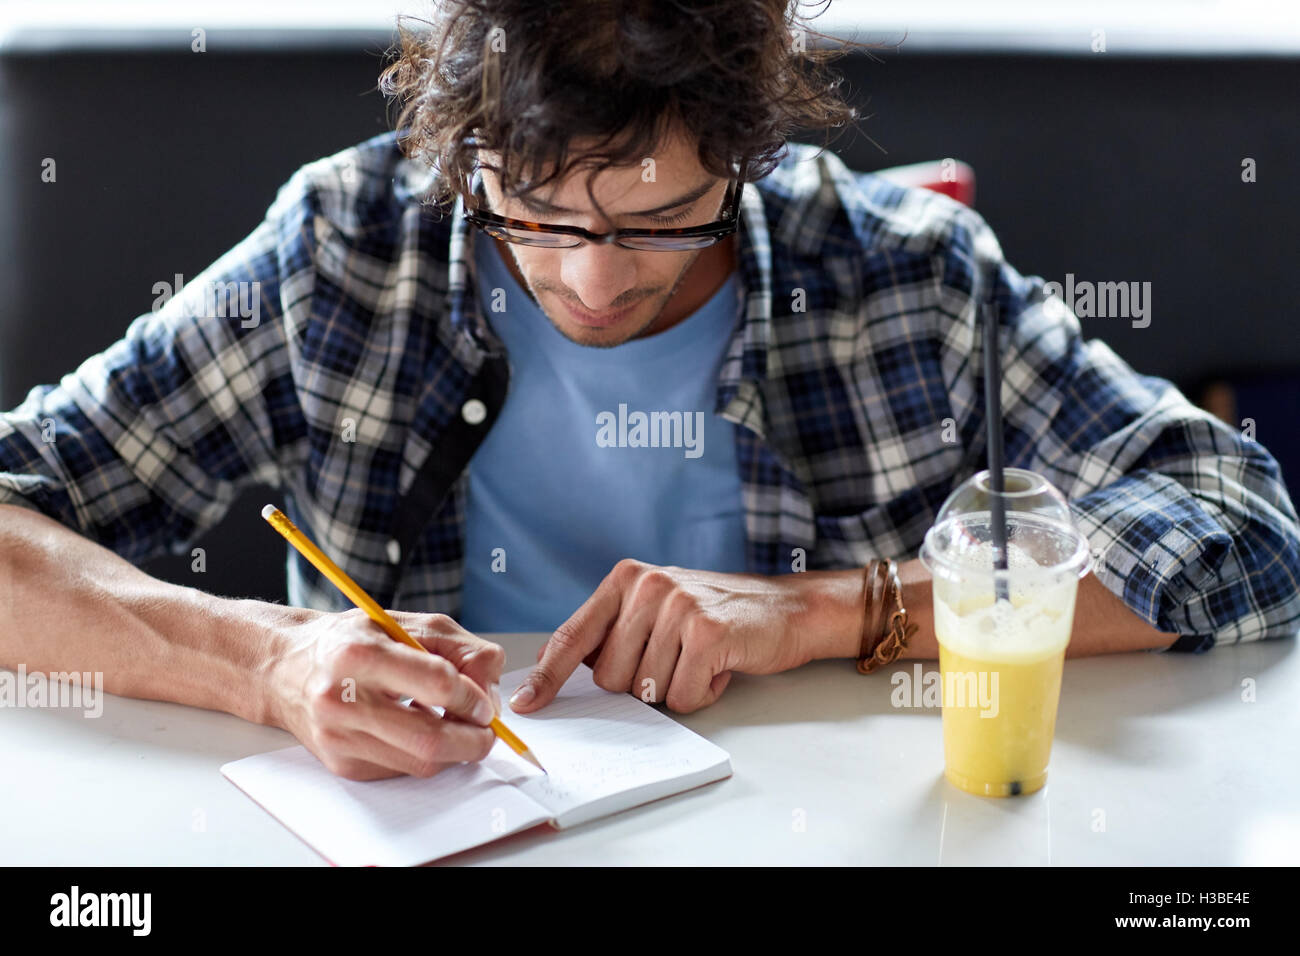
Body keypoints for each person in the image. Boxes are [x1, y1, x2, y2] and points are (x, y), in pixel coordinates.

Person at [2, 1, 1297, 782]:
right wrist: (269, 663)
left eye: (659, 220)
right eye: (531, 214)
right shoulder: (350, 248)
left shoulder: (901, 275)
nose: (590, 281)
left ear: (745, 156)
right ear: (463, 155)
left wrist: (828, 613)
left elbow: (1242, 523)